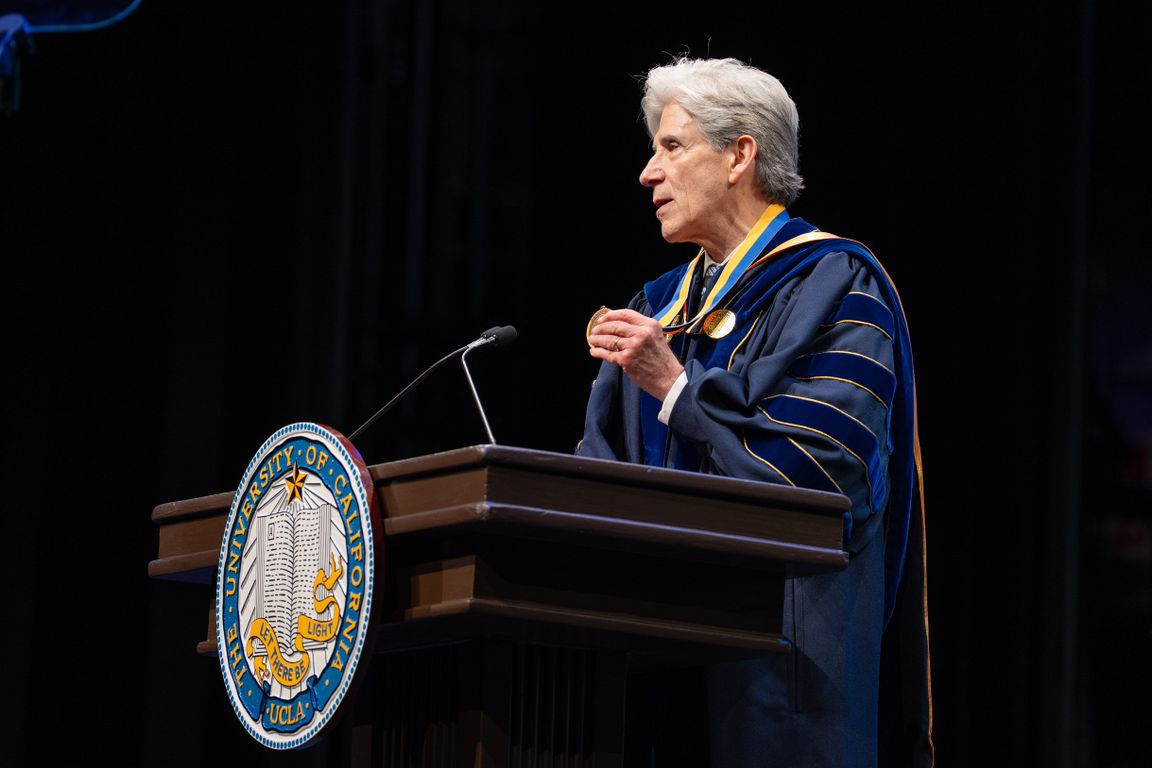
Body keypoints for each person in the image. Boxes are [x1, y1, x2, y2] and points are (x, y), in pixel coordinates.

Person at [578, 56, 933, 767]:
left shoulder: (837, 286)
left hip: (781, 687)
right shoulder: (657, 310)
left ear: (740, 154)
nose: (649, 173)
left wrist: (678, 392)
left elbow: (826, 481)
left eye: (672, 147)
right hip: (653, 684)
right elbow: (597, 481)